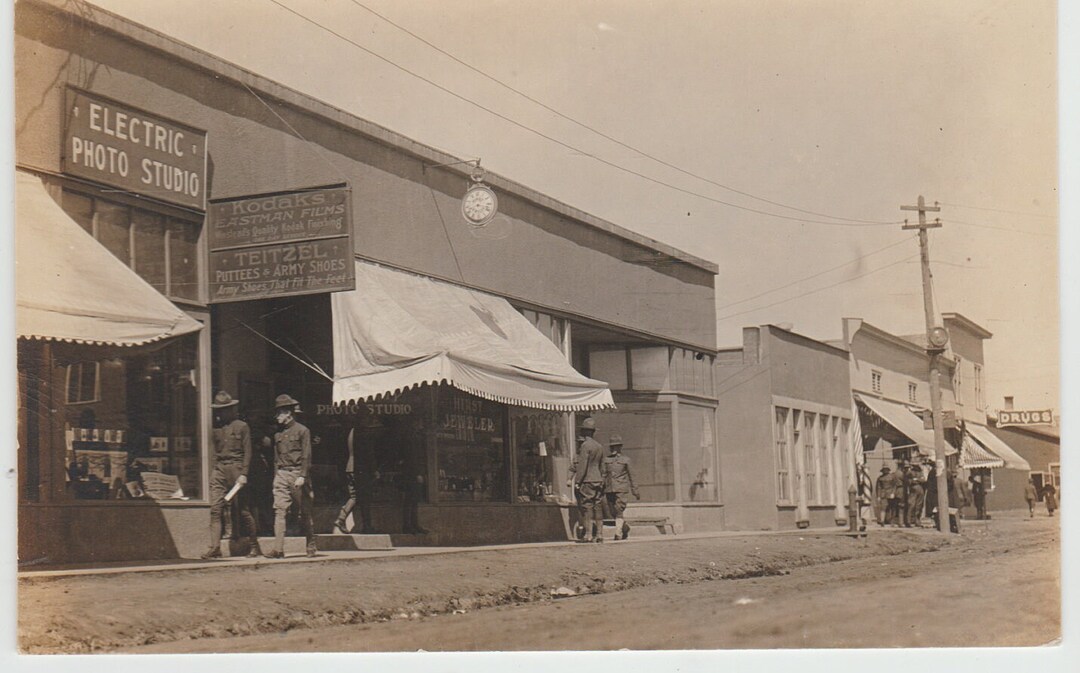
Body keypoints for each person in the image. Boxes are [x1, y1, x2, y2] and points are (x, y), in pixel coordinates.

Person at [202, 391, 260, 559]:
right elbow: (213, 452)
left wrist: (244, 473)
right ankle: (215, 548)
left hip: (237, 469)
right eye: (219, 410)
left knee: (243, 510)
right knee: (215, 509)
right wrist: (214, 470)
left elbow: (248, 452)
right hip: (220, 470)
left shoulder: (242, 427)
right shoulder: (215, 429)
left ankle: (254, 546)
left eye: (225, 409)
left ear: (232, 410)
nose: (221, 413)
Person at [266, 394, 316, 558]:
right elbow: (275, 458)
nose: (277, 416)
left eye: (280, 413)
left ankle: (311, 545)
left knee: (305, 511)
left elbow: (306, 455)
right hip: (282, 474)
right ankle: (278, 549)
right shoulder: (277, 434)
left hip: (297, 475)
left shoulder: (303, 431)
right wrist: (276, 476)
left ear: (288, 413)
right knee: (280, 510)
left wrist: (303, 475)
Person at [333, 415, 379, 534]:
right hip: (361, 469)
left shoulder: (351, 431)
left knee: (354, 496)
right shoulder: (364, 433)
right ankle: (345, 520)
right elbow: (369, 453)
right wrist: (374, 470)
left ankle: (346, 520)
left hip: (350, 467)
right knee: (363, 497)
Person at [566, 417, 606, 543]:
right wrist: (602, 479)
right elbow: (602, 466)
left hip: (587, 480)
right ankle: (599, 534)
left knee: (587, 506)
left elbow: (582, 466)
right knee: (597, 506)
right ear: (593, 432)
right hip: (598, 479)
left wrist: (577, 482)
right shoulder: (599, 446)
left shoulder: (585, 446)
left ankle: (588, 535)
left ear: (585, 432)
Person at [601, 435, 640, 541]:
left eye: (616, 446)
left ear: (620, 447)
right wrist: (600, 487)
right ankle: (625, 528)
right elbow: (603, 474)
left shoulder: (626, 460)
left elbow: (632, 476)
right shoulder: (606, 460)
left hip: (621, 488)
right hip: (609, 489)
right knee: (612, 511)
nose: (614, 449)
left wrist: (635, 490)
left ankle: (618, 533)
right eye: (612, 447)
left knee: (619, 510)